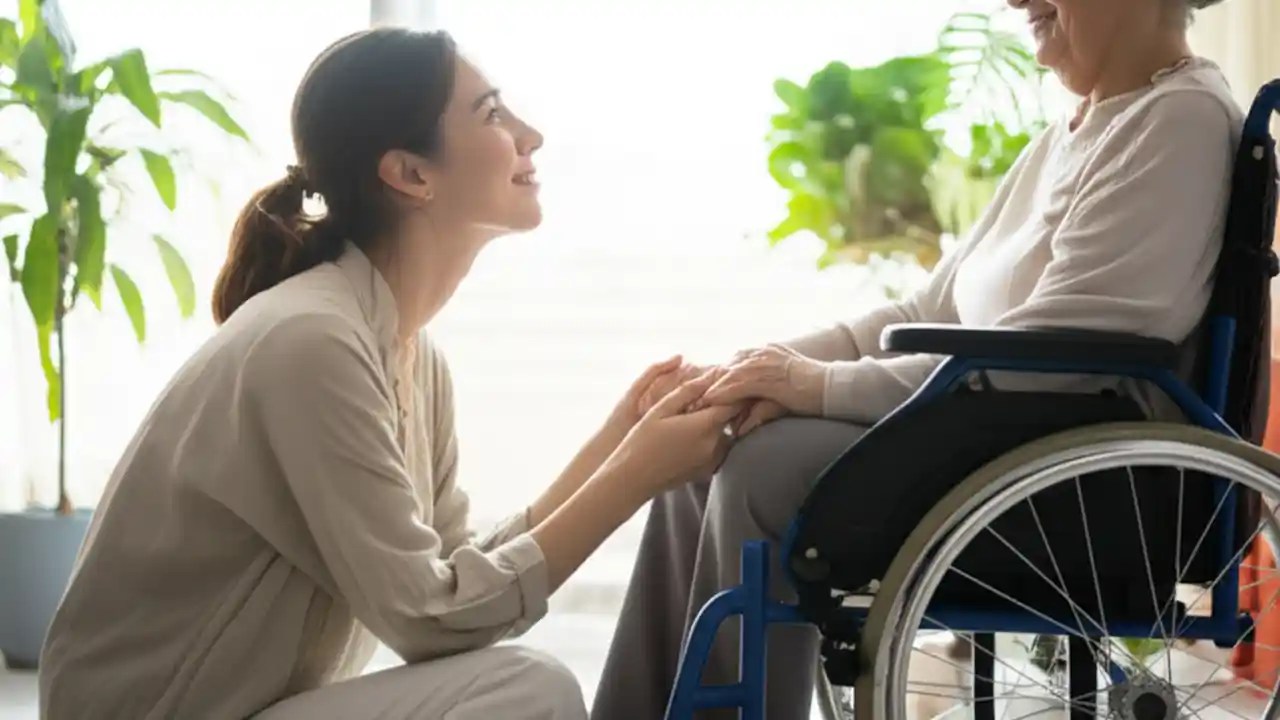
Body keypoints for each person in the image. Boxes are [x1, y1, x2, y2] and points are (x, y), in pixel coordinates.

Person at [38, 28, 744, 720]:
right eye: (493, 114)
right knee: (530, 690)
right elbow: (432, 618)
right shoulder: (311, 343)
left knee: (523, 685)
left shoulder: (405, 349)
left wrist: (619, 440)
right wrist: (635, 475)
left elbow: (454, 570)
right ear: (410, 174)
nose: (531, 135)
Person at [592, 0, 1244, 717]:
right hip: (994, 441)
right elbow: (923, 315)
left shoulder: (1178, 122)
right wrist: (758, 370)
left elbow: (1057, 360)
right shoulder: (1077, 130)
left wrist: (816, 387)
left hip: (1069, 478)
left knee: (761, 465)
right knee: (700, 445)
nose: (1016, 2)